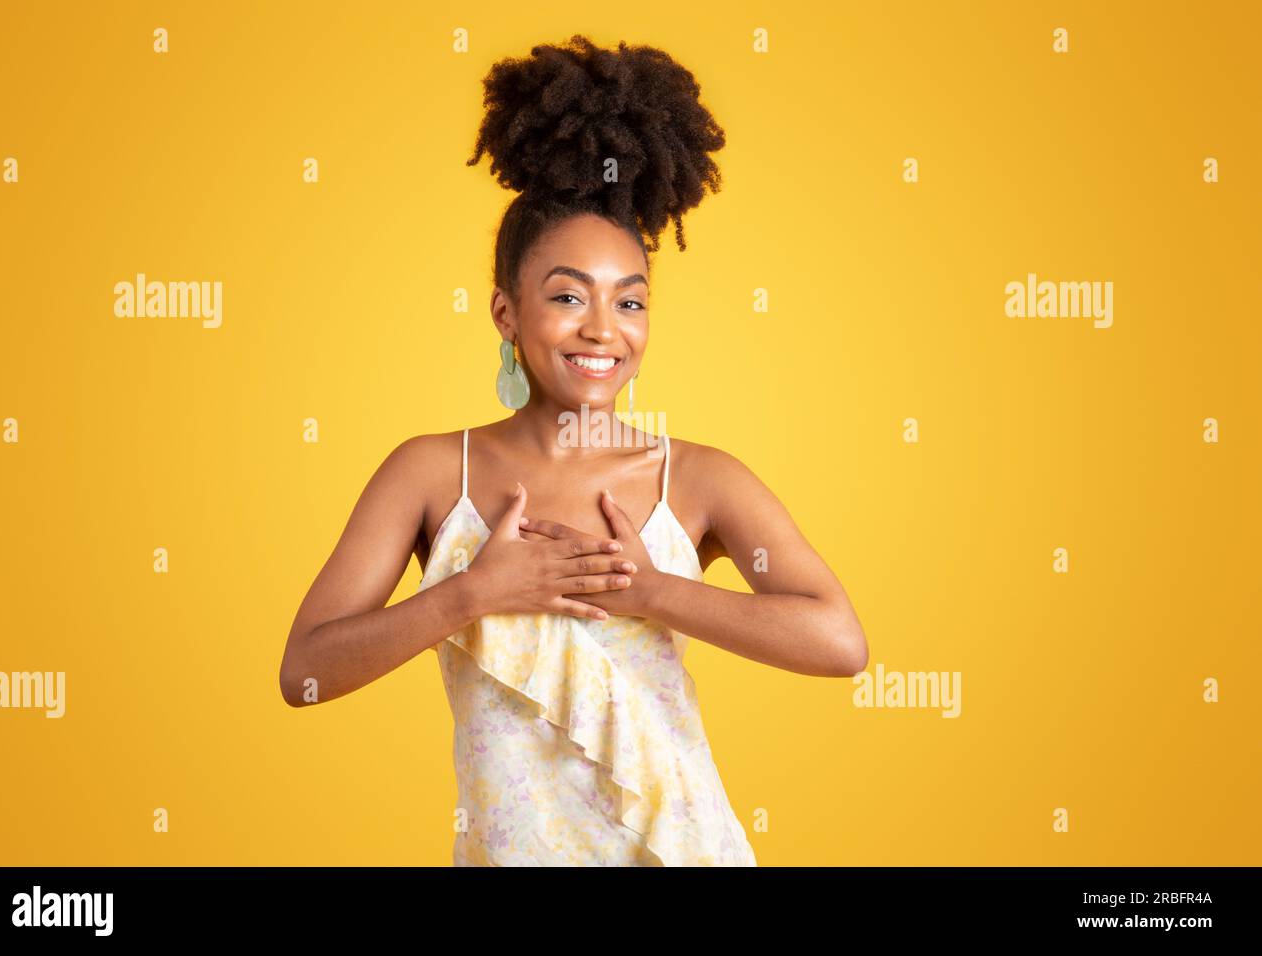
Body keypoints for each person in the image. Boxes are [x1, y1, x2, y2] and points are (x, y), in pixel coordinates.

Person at [278, 34, 868, 866]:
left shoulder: (694, 479)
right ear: (505, 313)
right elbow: (305, 671)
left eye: (630, 302)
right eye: (566, 296)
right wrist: (469, 595)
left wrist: (654, 592)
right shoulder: (429, 474)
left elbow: (840, 645)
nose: (603, 330)